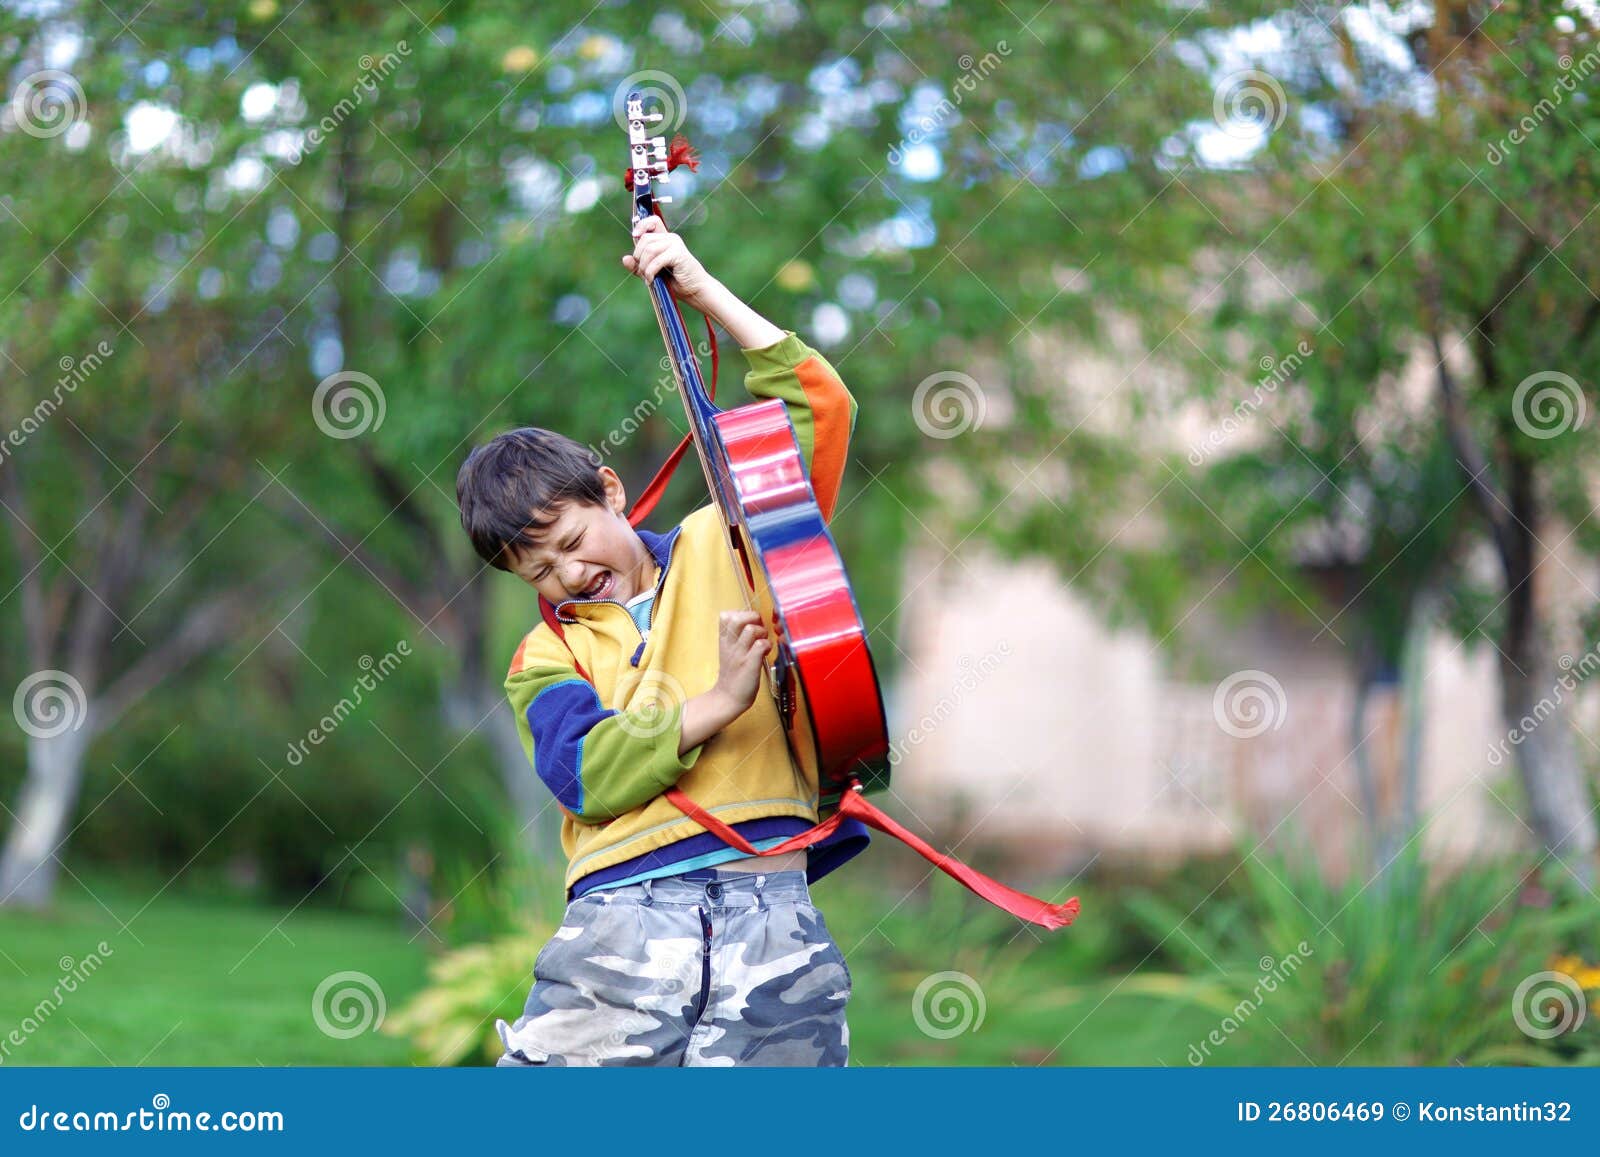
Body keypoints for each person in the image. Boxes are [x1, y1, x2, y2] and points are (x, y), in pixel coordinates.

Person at [455, 215, 870, 1066]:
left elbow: (818, 405)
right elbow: (588, 773)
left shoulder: (730, 539)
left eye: (570, 543)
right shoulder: (546, 657)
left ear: (609, 490)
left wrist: (700, 291)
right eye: (535, 572)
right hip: (621, 916)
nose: (565, 576)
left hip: (769, 906)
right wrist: (717, 701)